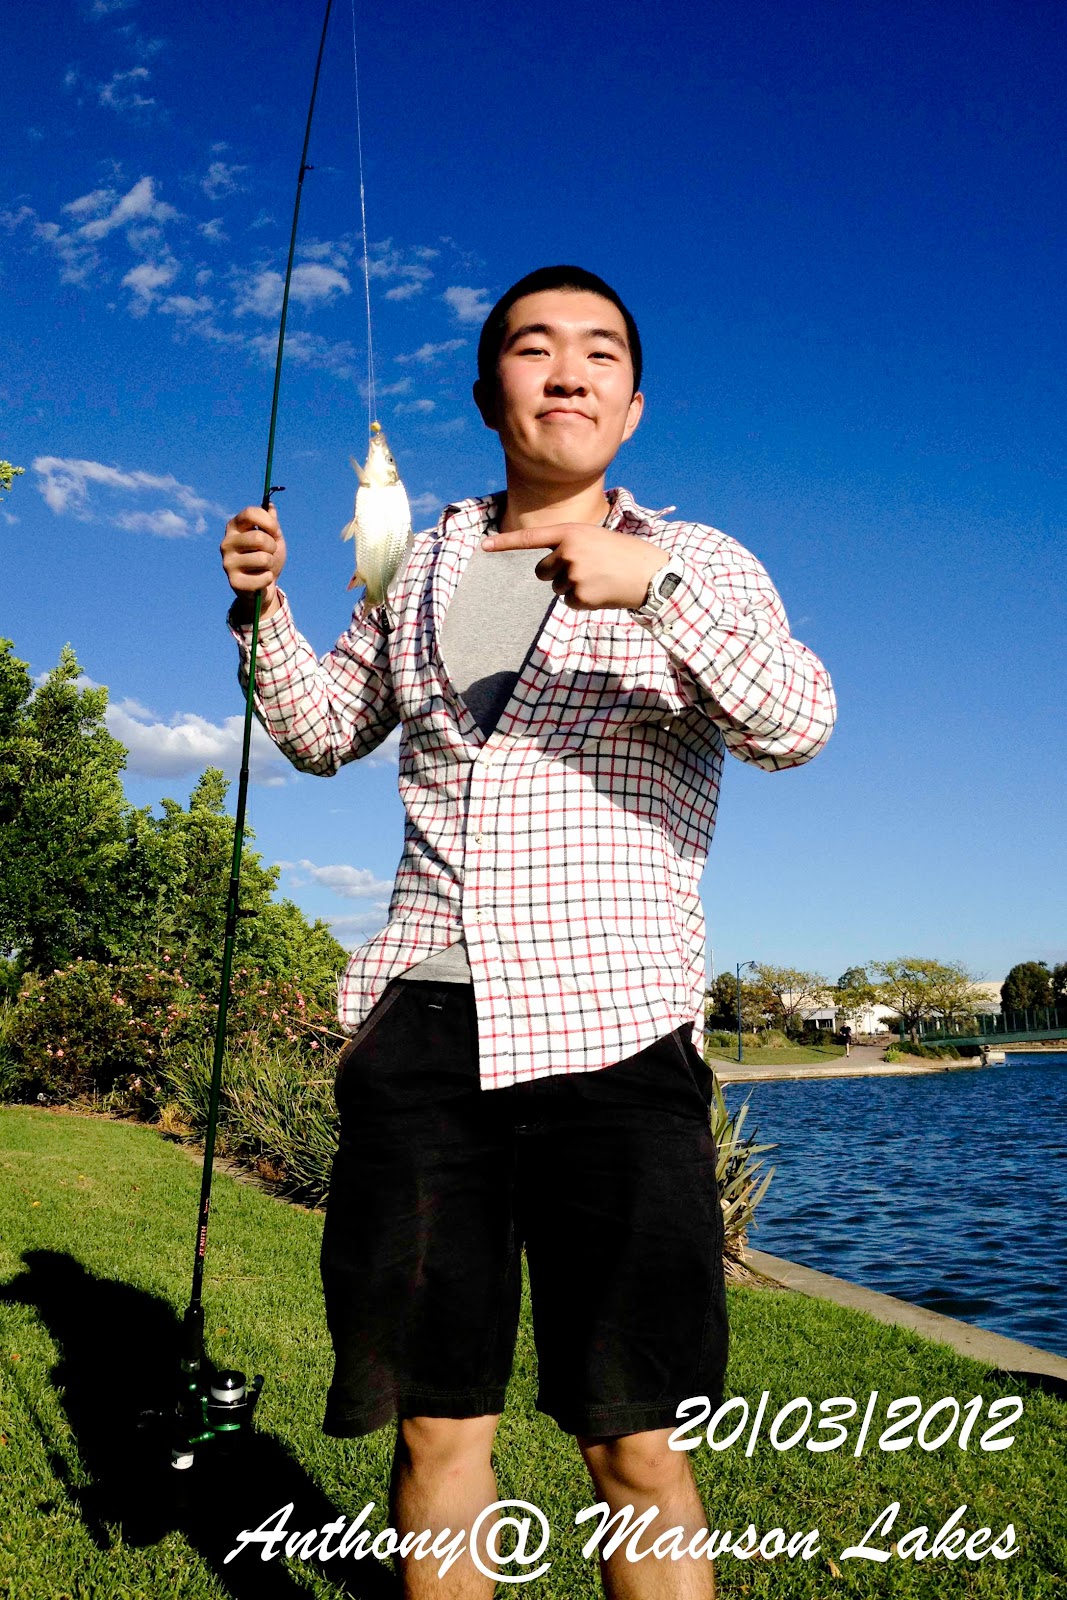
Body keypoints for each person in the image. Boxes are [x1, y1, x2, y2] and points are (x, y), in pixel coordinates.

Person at [220, 265, 837, 1599]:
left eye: (601, 352)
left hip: (616, 1039)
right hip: (425, 1038)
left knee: (635, 1440)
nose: (569, 371)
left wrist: (653, 589)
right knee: (439, 1424)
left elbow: (796, 721)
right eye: (535, 348)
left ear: (633, 400)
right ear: (488, 386)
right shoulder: (419, 560)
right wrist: (262, 614)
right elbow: (326, 730)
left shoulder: (705, 562)